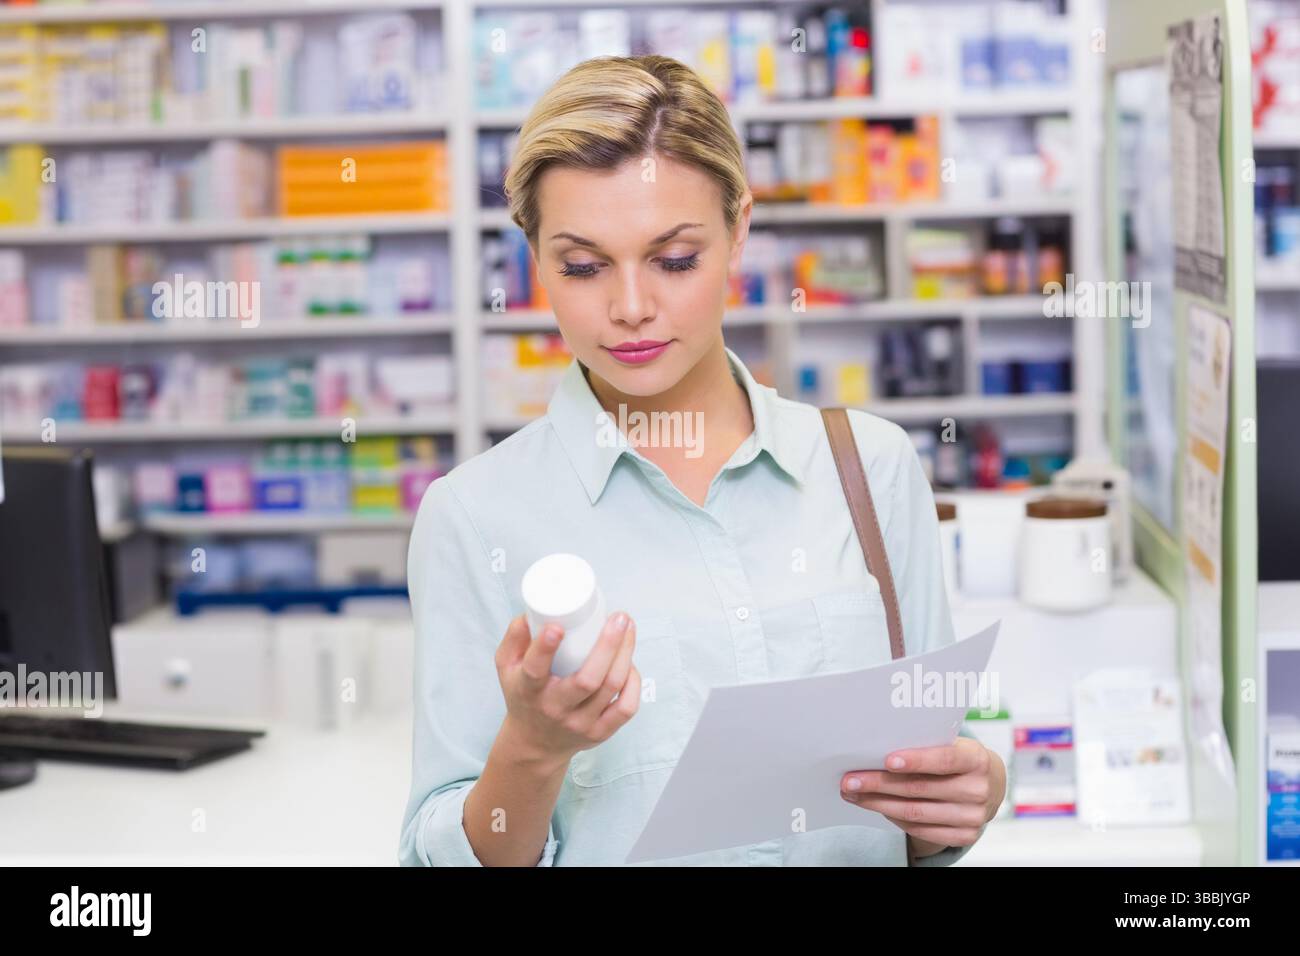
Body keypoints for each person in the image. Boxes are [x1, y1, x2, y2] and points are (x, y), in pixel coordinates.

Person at [399, 54, 1006, 866]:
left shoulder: (871, 467)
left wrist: (964, 799)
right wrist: (534, 750)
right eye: (581, 266)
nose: (631, 307)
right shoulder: (475, 517)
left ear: (739, 229)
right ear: (534, 258)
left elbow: (926, 805)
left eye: (675, 259)